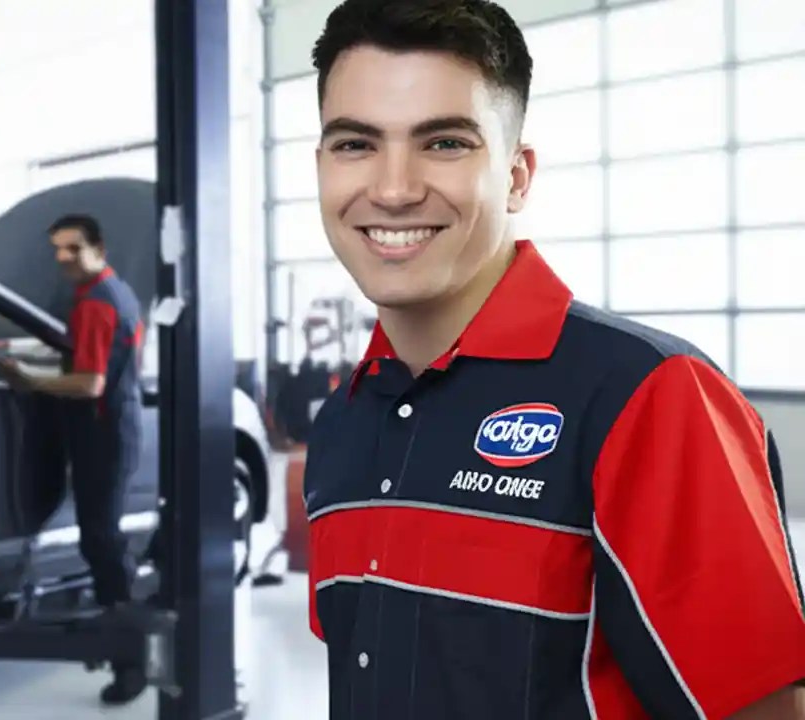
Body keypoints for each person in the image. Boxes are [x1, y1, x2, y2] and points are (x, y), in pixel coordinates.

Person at [301, 1, 805, 718]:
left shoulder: (650, 399)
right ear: (321, 166)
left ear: (516, 176)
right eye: (356, 144)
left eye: (444, 143)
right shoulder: (344, 423)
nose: (392, 188)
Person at [0, 213, 148, 706]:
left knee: (102, 540)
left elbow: (88, 382)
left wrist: (27, 381)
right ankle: (125, 641)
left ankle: (130, 658)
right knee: (103, 536)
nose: (63, 258)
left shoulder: (96, 305)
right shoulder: (115, 292)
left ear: (97, 247)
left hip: (102, 432)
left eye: (73, 249)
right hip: (114, 425)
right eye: (57, 249)